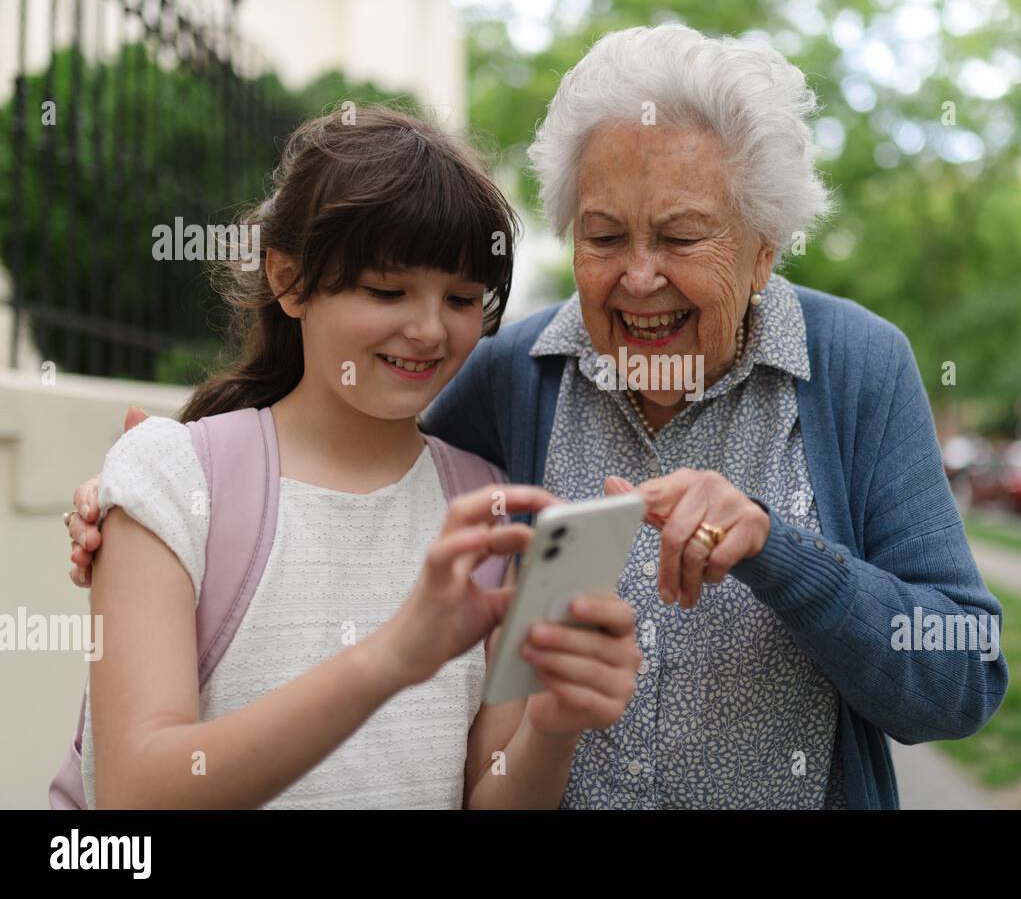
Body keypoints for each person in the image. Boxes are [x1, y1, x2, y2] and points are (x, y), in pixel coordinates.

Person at [64, 105, 639, 809]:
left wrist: (552, 724)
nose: (428, 330)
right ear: (289, 279)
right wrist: (390, 659)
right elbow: (136, 793)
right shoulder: (169, 474)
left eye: (462, 298)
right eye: (386, 291)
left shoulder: (482, 502)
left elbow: (489, 794)